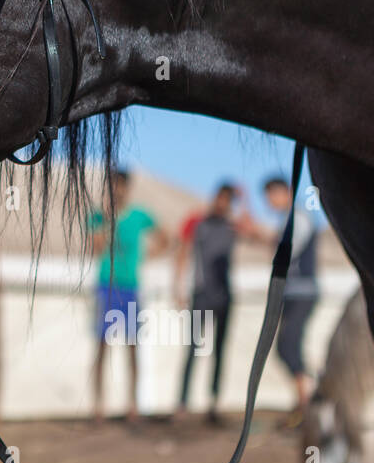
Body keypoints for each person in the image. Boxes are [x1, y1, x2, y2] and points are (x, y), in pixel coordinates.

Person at [173, 183, 266, 424]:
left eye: (228, 200)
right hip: (201, 295)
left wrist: (246, 199)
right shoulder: (198, 223)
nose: (223, 203)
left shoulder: (232, 226)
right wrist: (178, 287)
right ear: (214, 198)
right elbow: (182, 251)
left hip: (224, 296)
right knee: (193, 349)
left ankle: (213, 404)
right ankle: (182, 403)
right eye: (221, 198)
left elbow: (254, 232)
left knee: (220, 351)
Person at [88, 169, 169, 423]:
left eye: (120, 185)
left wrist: (149, 256)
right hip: (106, 284)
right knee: (102, 345)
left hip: (130, 286)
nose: (116, 190)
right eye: (112, 185)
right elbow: (96, 248)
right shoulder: (98, 216)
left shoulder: (139, 215)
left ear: (127, 188)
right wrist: (106, 221)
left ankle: (132, 404)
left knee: (132, 346)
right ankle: (98, 405)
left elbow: (165, 237)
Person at [263, 175, 320, 421]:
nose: (269, 203)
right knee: (287, 348)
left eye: (271, 196)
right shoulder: (287, 220)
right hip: (291, 292)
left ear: (284, 192)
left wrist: (256, 233)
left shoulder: (299, 218)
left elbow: (286, 249)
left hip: (303, 292)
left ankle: (310, 404)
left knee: (289, 347)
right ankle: (305, 402)